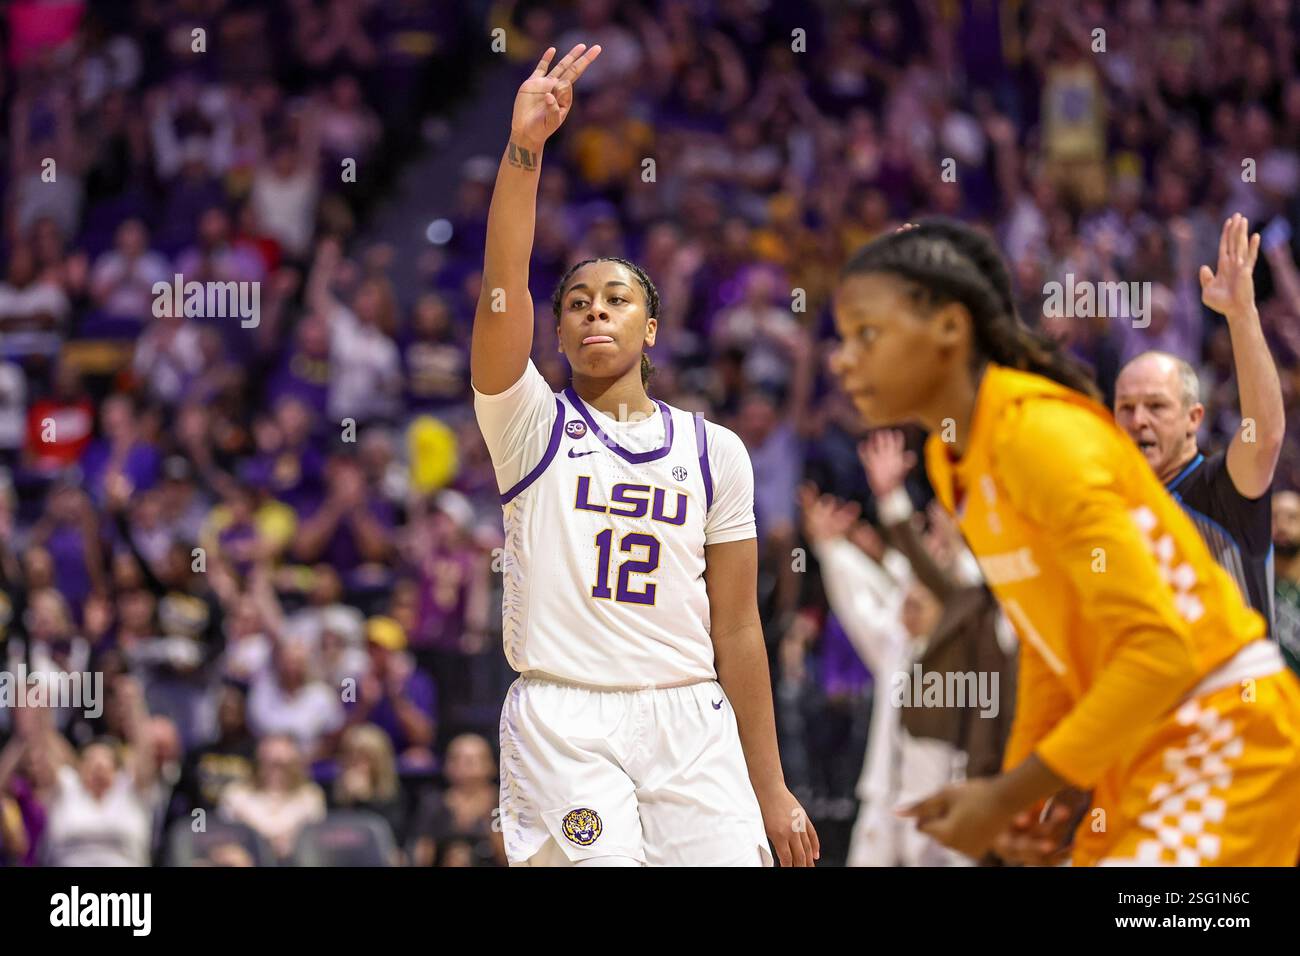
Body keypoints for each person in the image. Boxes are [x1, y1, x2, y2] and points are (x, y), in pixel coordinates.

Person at [829, 218, 1300, 865]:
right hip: (1129, 747)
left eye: (866, 334)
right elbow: (1048, 648)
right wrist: (1027, 792)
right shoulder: (951, 458)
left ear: (948, 328)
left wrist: (1008, 793)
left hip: (1220, 729)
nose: (841, 358)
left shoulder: (1040, 437)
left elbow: (1161, 652)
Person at [470, 43, 812, 866]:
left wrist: (773, 789)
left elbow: (738, 629)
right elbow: (503, 283)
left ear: (650, 328)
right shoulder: (527, 424)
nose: (595, 313)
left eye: (616, 300)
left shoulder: (715, 452)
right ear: (555, 334)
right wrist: (526, 151)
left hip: (691, 720)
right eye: (577, 304)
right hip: (568, 719)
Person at [1113, 215, 1290, 675]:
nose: (1139, 420)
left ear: (1195, 419)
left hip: (1239, 729)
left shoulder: (1220, 489)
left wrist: (1241, 315)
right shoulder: (1112, 510)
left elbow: (1264, 432)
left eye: (1156, 406)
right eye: (1126, 408)